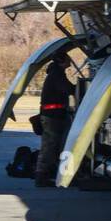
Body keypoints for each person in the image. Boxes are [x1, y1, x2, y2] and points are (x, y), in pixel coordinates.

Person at [35, 53, 76, 186]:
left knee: (52, 144)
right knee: (50, 145)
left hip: (53, 114)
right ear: (62, 61)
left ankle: (46, 173)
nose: (70, 62)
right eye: (68, 60)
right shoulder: (57, 75)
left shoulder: (55, 74)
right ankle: (41, 176)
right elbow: (69, 89)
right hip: (53, 116)